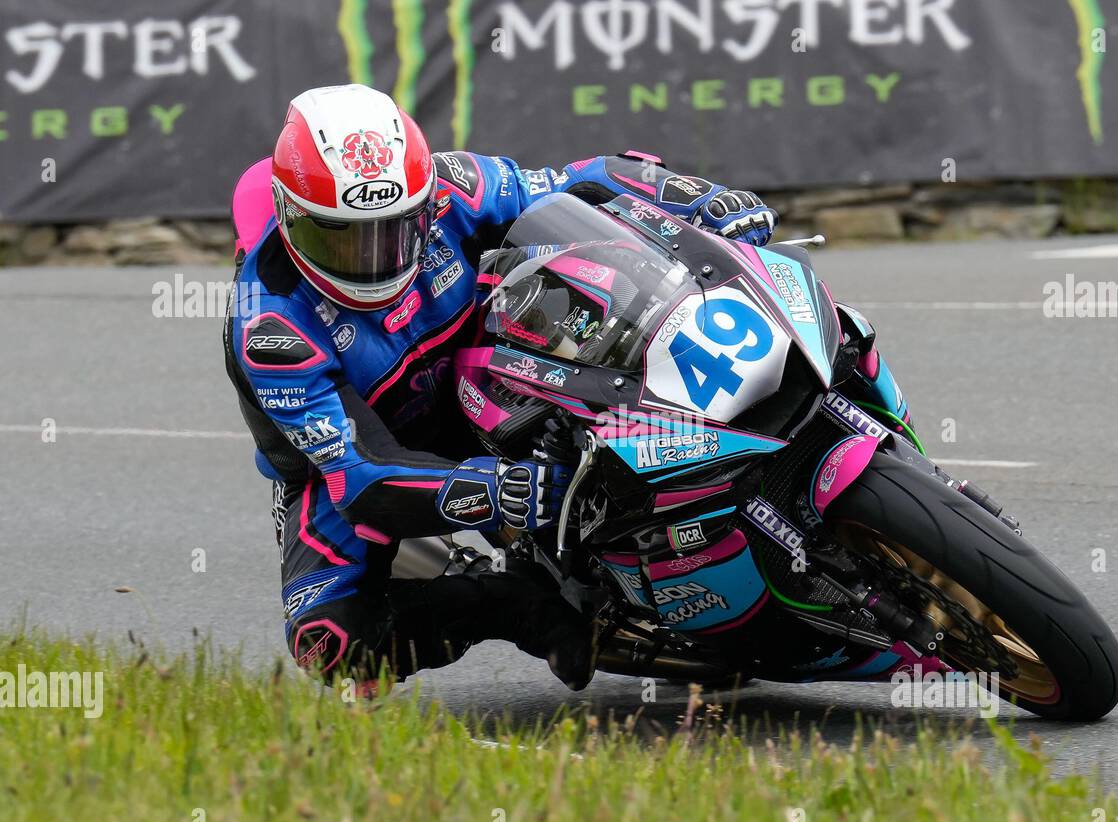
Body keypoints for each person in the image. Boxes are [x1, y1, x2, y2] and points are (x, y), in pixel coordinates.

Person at [222, 83, 780, 690]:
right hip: (353, 457)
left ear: (424, 198)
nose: (375, 259)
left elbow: (582, 179)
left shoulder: (453, 184)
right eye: (344, 238)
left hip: (483, 374)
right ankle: (516, 603)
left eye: (393, 230)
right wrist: (504, 491)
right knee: (330, 645)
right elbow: (362, 477)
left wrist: (700, 200)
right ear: (289, 215)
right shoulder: (270, 328)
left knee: (586, 298)